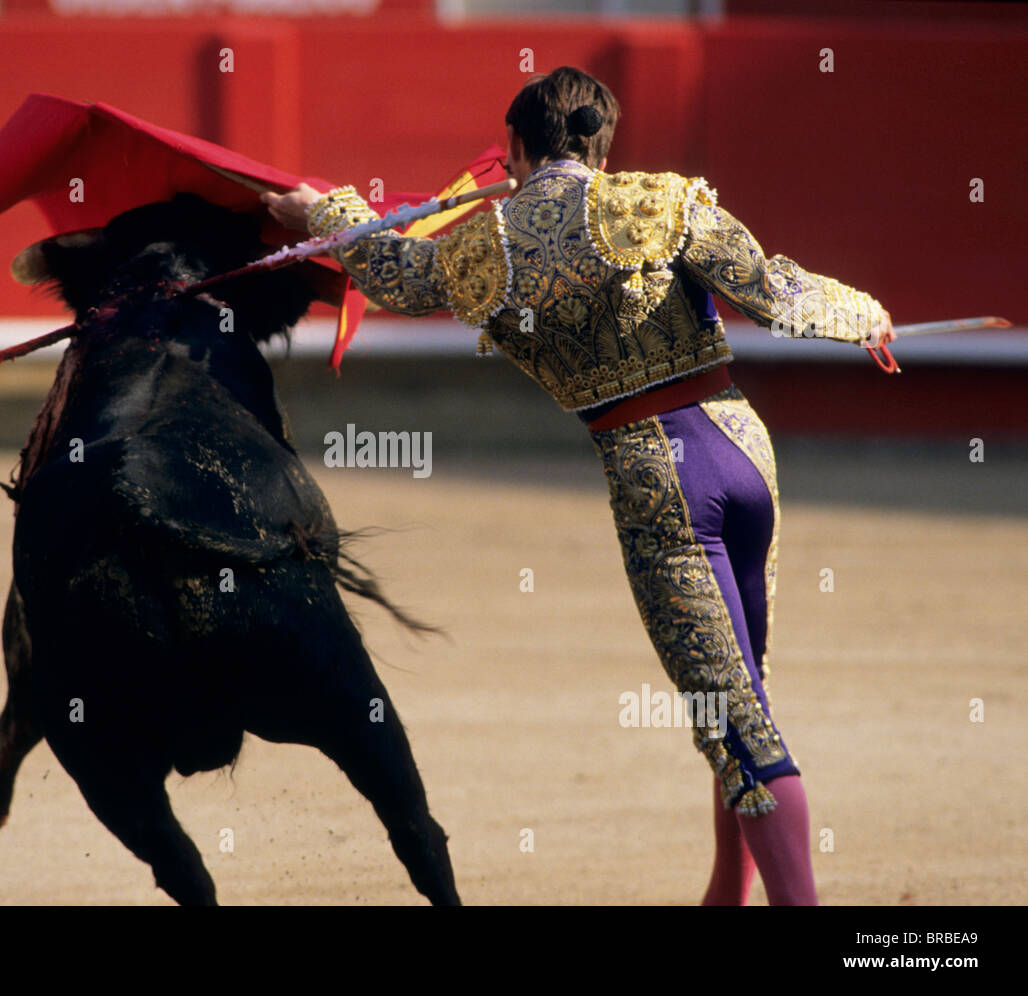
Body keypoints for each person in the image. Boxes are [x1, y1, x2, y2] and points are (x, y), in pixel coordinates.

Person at [263, 66, 895, 906]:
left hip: (656, 477)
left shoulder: (487, 244)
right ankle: (723, 895)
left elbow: (396, 276)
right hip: (743, 448)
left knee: (730, 713)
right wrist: (866, 317)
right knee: (741, 686)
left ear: (518, 147)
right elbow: (774, 297)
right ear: (602, 145)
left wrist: (329, 214)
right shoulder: (658, 202)